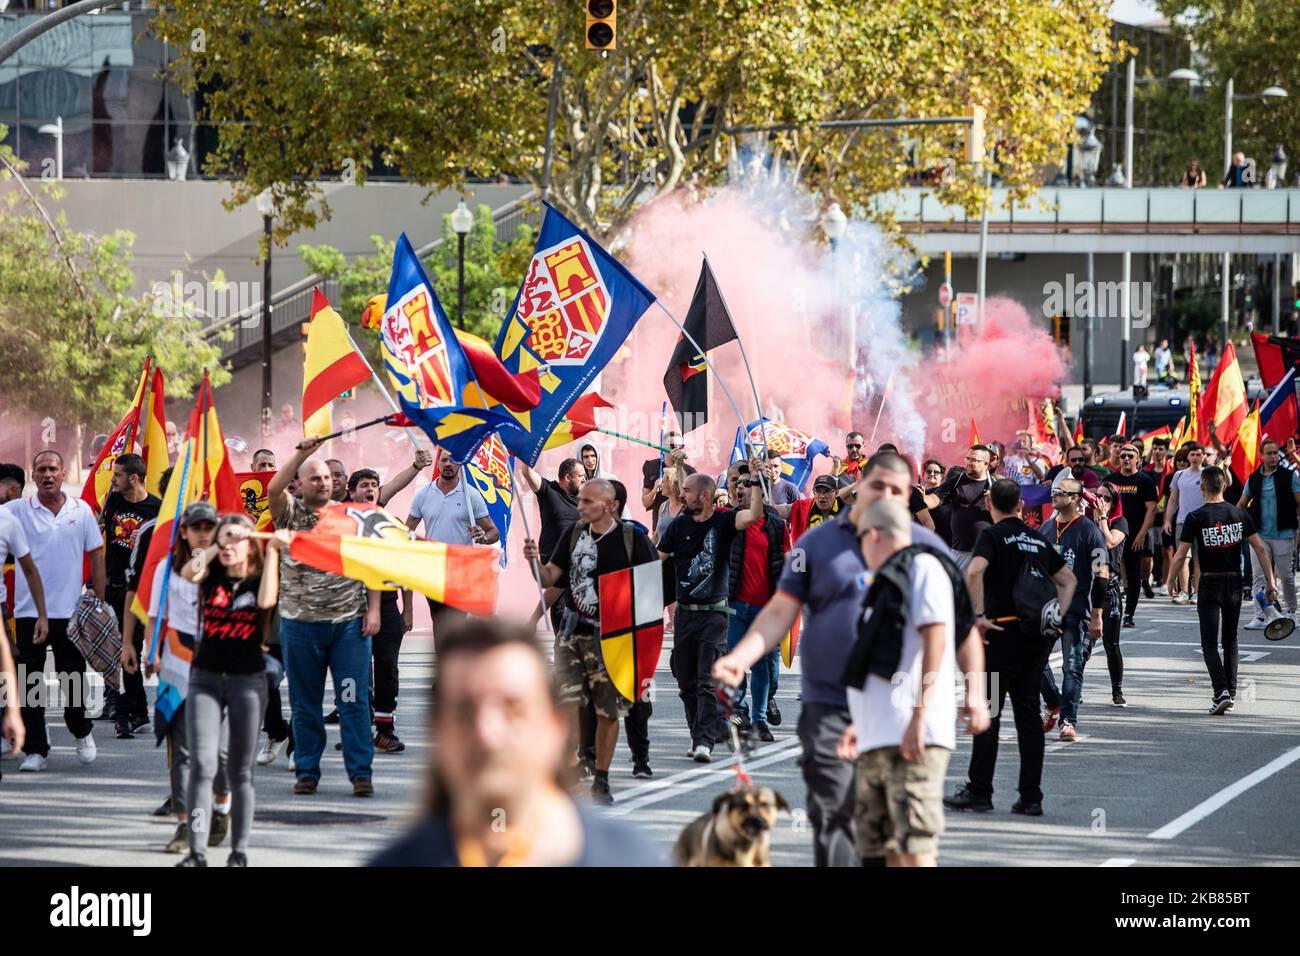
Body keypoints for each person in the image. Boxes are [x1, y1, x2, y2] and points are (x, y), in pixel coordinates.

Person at [713, 451, 966, 866]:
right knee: (837, 820)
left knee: (904, 843)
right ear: (859, 488)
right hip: (829, 704)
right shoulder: (817, 543)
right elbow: (781, 607)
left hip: (903, 709)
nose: (884, 495)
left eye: (896, 490)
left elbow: (957, 630)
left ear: (909, 496)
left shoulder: (926, 551)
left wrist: (966, 694)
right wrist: (741, 656)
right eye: (876, 486)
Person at [371, 619, 663, 866]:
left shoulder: (632, 858)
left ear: (556, 727)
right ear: (436, 731)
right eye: (464, 713)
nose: (488, 734)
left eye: (514, 710)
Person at [834, 498, 986, 866]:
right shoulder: (888, 578)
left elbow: (937, 639)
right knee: (880, 849)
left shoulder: (922, 568)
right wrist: (861, 720)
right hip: (880, 732)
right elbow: (880, 656)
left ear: (873, 534)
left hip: (913, 733)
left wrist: (919, 714)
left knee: (912, 848)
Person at [945, 479, 1076, 816]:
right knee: (1029, 717)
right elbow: (1068, 580)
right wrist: (1056, 618)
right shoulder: (1036, 538)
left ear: (990, 504)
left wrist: (978, 616)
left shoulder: (991, 535)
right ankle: (1031, 796)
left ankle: (979, 791)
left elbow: (974, 571)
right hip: (1033, 637)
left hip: (998, 634)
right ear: (1020, 505)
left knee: (987, 713)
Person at [523, 479, 659, 804]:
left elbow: (652, 596)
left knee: (607, 711)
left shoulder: (633, 540)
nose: (579, 507)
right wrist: (532, 561)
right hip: (572, 633)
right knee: (567, 704)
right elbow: (550, 578)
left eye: (587, 501)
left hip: (612, 639)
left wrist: (639, 650)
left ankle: (601, 777)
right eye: (580, 500)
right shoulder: (573, 535)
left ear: (610, 505)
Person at [175, 516, 288, 866]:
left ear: (251, 544)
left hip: (247, 681)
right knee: (202, 764)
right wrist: (219, 542)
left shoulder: (257, 580)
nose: (229, 546)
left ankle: (239, 851)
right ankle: (197, 850)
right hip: (206, 678)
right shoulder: (210, 577)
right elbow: (187, 572)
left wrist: (272, 552)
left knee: (239, 770)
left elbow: (268, 600)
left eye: (237, 540)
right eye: (223, 539)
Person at [268, 438, 376, 797]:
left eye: (328, 478)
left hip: (348, 625)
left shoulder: (351, 517)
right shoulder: (289, 513)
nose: (324, 482)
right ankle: (307, 771)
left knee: (352, 700)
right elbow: (273, 486)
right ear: (299, 484)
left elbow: (370, 564)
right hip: (300, 626)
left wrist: (374, 609)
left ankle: (361, 773)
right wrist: (301, 454)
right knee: (305, 702)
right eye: (315, 478)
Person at [128, 501, 227, 853]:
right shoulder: (165, 568)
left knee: (216, 752)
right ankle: (186, 825)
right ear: (183, 531)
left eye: (208, 527)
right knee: (183, 751)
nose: (203, 533)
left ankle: (221, 807)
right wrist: (149, 651)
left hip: (218, 662)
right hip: (177, 662)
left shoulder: (227, 565)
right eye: (196, 527)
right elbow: (155, 615)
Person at [657, 454, 765, 764]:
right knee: (685, 678)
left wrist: (756, 480)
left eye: (688, 491)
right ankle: (698, 732)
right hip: (686, 614)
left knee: (706, 679)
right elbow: (657, 557)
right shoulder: (678, 527)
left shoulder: (724, 520)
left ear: (704, 495)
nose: (684, 496)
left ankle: (704, 740)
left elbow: (753, 514)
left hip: (715, 613)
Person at [5, 451, 104, 773]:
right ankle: (36, 748)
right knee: (30, 678)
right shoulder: (16, 511)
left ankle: (80, 729)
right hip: (28, 611)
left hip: (70, 609)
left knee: (70, 677)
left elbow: (96, 553)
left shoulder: (82, 510)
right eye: (41, 470)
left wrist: (99, 601)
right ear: (32, 476)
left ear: (63, 473)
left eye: (53, 469)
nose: (48, 475)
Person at [1168, 466, 1277, 714]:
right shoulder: (1239, 513)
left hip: (1209, 582)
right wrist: (1271, 581)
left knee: (1209, 642)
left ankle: (1221, 691)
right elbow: (1260, 548)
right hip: (1234, 582)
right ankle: (1231, 692)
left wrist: (1170, 581)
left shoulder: (1196, 517)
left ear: (1202, 486)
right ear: (1225, 486)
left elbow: (1181, 554)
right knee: (1230, 640)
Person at [345, 459, 429, 752]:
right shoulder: (340, 522)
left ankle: (385, 730)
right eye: (363, 486)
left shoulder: (388, 524)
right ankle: (353, 730)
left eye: (373, 486)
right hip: (350, 608)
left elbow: (406, 566)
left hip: (389, 607)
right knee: (352, 672)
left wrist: (409, 608)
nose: (369, 490)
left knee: (387, 669)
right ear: (350, 492)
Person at [1037, 479, 1107, 741]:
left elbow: (1102, 575)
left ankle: (1068, 721)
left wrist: (1097, 615)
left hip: (1077, 609)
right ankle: (1054, 701)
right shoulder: (1046, 528)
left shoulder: (1090, 532)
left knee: (1072, 666)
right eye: (1053, 491)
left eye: (1061, 492)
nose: (1054, 495)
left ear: (1077, 498)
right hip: (1047, 608)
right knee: (1035, 661)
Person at [723, 462, 788, 743]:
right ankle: (741, 712)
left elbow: (788, 561)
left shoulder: (775, 525)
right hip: (735, 607)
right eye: (738, 484)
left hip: (766, 609)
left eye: (747, 484)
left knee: (763, 668)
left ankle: (761, 719)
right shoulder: (729, 521)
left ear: (759, 491)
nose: (740, 488)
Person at [406, 448, 498, 644]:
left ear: (460, 464)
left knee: (457, 623)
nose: (448, 464)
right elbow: (407, 531)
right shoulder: (424, 494)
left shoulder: (471, 495)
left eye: (453, 460)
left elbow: (493, 532)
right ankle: (445, 668)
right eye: (444, 460)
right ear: (438, 463)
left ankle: (458, 665)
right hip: (434, 570)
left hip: (462, 571)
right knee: (439, 622)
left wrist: (482, 537)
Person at [99, 452, 162, 738]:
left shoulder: (156, 509)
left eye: (118, 475)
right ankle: (139, 710)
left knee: (131, 646)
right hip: (112, 586)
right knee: (117, 649)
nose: (113, 480)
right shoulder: (112, 501)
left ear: (133, 478)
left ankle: (125, 713)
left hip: (138, 588)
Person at [1238, 439, 1300, 626]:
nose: (1274, 456)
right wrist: (1230, 521)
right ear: (1261, 455)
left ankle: (1291, 611)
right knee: (1259, 575)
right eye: (1270, 453)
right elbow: (1241, 504)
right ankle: (1259, 615)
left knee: (1285, 575)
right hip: (1259, 535)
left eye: (1275, 453)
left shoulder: (1290, 476)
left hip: (1284, 533)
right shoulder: (1254, 478)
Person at [1087, 482, 1130, 706]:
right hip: (1088, 585)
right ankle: (1075, 688)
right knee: (1082, 644)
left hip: (1110, 588)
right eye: (1097, 496)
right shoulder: (1085, 519)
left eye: (1106, 498)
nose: (1100, 501)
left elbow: (1109, 542)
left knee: (1111, 645)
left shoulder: (1119, 521)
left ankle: (1117, 691)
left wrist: (1102, 518)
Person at [923, 444, 995, 571]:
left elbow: (1010, 514)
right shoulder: (956, 481)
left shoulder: (995, 485)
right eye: (967, 458)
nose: (969, 462)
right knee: (958, 589)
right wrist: (921, 498)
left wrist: (994, 502)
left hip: (987, 550)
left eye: (974, 460)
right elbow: (935, 499)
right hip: (961, 551)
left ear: (986, 463)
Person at [1111, 444, 1158, 629]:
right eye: (1123, 455)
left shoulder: (1145, 481)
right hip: (1113, 535)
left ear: (1138, 458)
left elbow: (1152, 510)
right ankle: (1113, 610)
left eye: (1130, 455)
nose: (1126, 458)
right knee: (1111, 575)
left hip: (1135, 536)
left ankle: (1129, 614)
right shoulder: (1110, 479)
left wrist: (1141, 534)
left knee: (1133, 575)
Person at [1164, 443, 1207, 604]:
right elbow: (1173, 499)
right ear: (1188, 456)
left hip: (1203, 522)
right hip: (1182, 521)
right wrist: (1168, 520)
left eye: (1198, 454)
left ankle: (1196, 593)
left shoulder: (1207, 474)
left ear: (1203, 456)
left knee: (1199, 559)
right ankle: (1183, 592)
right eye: (1192, 454)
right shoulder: (1179, 475)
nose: (1195, 457)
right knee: (1182, 558)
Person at [520, 458, 583, 561]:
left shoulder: (584, 499)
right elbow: (527, 472)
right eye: (580, 476)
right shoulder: (548, 490)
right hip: (551, 563)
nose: (583, 480)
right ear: (568, 477)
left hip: (575, 564)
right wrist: (532, 447)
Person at [641, 432, 694, 532]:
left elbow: (691, 501)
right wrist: (654, 490)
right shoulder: (652, 466)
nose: (677, 449)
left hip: (683, 529)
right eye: (673, 446)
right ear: (662, 447)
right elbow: (646, 503)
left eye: (680, 446)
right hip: (660, 527)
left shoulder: (690, 471)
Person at [782, 474, 841, 543]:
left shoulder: (845, 512)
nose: (822, 496)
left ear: (836, 493)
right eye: (818, 491)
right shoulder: (803, 507)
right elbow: (774, 510)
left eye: (826, 491)